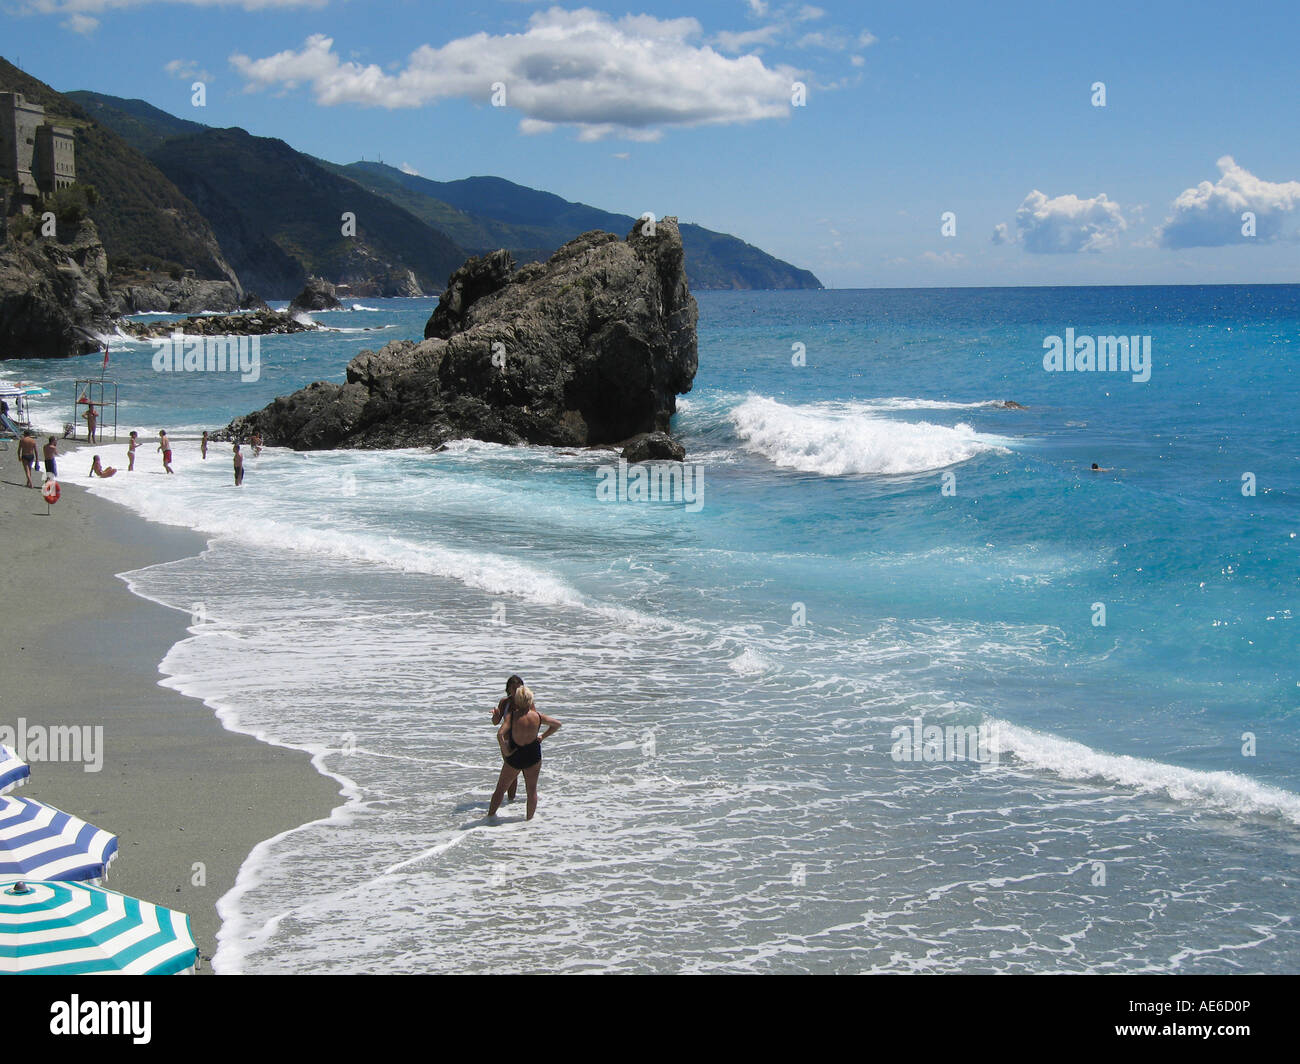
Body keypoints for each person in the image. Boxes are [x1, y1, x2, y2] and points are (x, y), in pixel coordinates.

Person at [488, 685, 560, 821]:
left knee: (500, 789)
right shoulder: (537, 716)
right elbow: (557, 724)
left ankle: (489, 817)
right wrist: (542, 737)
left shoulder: (512, 716)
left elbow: (500, 735)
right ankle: (529, 822)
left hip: (516, 755)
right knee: (531, 790)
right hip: (533, 755)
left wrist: (506, 752)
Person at [491, 675, 525, 803]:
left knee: (521, 771)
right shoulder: (504, 702)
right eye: (513, 688)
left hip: (521, 740)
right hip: (506, 741)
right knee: (510, 771)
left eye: (518, 688)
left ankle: (520, 800)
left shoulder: (526, 702)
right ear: (508, 689)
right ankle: (511, 800)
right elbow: (495, 722)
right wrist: (496, 714)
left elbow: (534, 719)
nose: (516, 691)